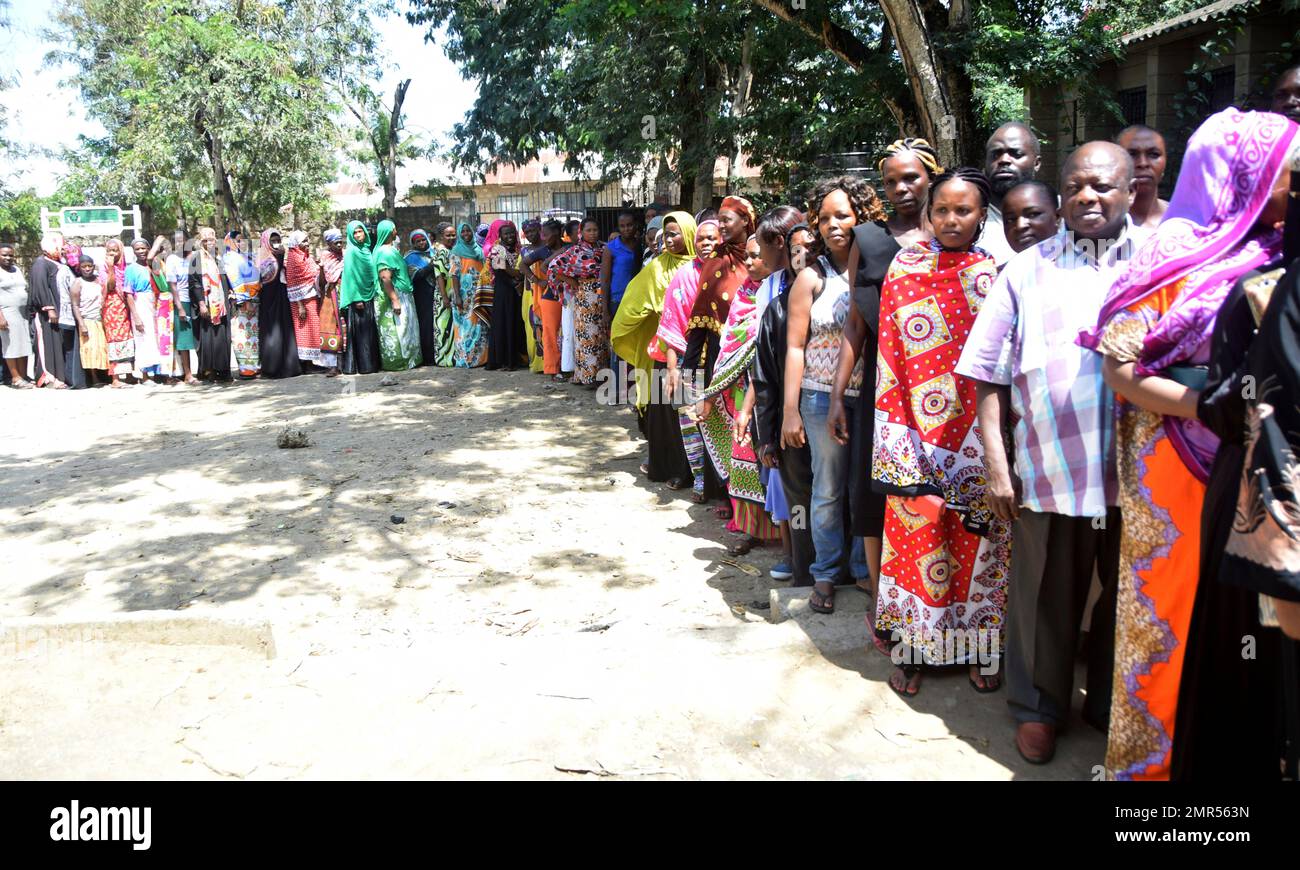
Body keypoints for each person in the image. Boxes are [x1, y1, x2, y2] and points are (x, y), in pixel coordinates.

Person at [1082, 108, 1299, 780]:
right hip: (1174, 463)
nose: (1294, 187)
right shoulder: (1171, 255)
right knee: (1169, 617)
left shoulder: (1285, 250)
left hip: (1256, 467)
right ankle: (1153, 770)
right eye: (1288, 173)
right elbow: (1119, 366)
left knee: (1253, 630)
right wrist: (1206, 407)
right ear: (1246, 177)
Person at [959, 142, 1140, 765]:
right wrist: (996, 464)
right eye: (1077, 186)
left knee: (1131, 600)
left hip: (1142, 478)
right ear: (1060, 194)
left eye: (1104, 186)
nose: (1090, 197)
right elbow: (986, 374)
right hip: (1050, 471)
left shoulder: (1162, 265)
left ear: (1131, 193)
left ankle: (1114, 705)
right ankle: (1038, 707)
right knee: (1043, 599)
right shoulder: (1026, 270)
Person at [872, 167, 1008, 698]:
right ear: (929, 212)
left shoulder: (993, 273)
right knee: (919, 538)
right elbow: (890, 356)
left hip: (980, 434)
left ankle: (980, 649)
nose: (952, 220)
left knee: (982, 546)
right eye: (942, 210)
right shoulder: (904, 268)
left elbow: (1002, 361)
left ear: (982, 215)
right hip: (913, 431)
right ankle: (913, 652)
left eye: (965, 210)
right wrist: (897, 441)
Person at [830, 138, 939, 629]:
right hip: (881, 384)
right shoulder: (868, 239)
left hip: (943, 386)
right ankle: (881, 596)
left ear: (930, 177)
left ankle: (937, 594)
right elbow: (854, 323)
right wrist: (837, 395)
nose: (901, 188)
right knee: (874, 489)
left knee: (938, 486)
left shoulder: (951, 231)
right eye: (892, 180)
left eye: (911, 177)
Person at [782, 179, 877, 615]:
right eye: (823, 218)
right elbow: (795, 347)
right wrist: (789, 411)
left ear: (861, 214)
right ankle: (825, 570)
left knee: (864, 488)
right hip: (821, 400)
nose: (833, 224)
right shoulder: (811, 278)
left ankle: (863, 567)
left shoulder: (877, 265)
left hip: (873, 397)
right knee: (828, 489)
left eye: (842, 214)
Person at [693, 232, 783, 554]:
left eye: (758, 256)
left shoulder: (783, 290)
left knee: (771, 457)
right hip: (741, 385)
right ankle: (752, 527)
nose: (752, 263)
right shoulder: (746, 292)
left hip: (771, 387)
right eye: (748, 256)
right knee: (743, 453)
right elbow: (732, 338)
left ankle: (783, 531)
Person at [612, 210, 698, 481]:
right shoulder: (656, 267)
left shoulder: (703, 265)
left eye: (675, 234)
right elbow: (633, 302)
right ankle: (669, 466)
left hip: (698, 346)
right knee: (664, 409)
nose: (670, 240)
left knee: (694, 411)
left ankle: (697, 472)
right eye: (667, 235)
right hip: (665, 347)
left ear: (689, 234)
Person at [750, 209, 812, 581]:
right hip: (778, 401)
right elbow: (764, 356)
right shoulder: (771, 292)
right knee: (787, 485)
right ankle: (794, 556)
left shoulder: (826, 282)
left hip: (819, 400)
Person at [657, 219, 722, 499]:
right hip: (688, 359)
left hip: (721, 360)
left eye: (711, 238)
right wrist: (672, 369)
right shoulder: (684, 275)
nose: (706, 244)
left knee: (721, 424)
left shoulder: (730, 273)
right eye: (701, 239)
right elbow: (671, 324)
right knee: (690, 425)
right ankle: (699, 481)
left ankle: (723, 488)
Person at [553, 218, 607, 385]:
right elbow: (554, 268)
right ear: (581, 232)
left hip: (603, 295)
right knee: (586, 337)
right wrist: (572, 282)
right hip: (585, 298)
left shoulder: (605, 249)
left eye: (595, 230)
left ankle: (602, 375)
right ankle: (587, 376)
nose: (592, 233)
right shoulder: (575, 251)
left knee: (601, 336)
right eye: (588, 230)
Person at [982, 122, 1042, 265]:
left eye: (1016, 154)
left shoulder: (1062, 214)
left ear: (1037, 163)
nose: (1003, 160)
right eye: (995, 155)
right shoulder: (968, 218)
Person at [372, 219, 421, 372]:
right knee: (398, 329)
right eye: (394, 228)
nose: (396, 231)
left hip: (402, 293)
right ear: (389, 231)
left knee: (406, 328)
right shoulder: (385, 252)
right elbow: (386, 277)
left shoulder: (388, 249)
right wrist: (395, 300)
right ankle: (400, 362)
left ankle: (410, 360)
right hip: (394, 295)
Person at [603, 209, 642, 398]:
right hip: (617, 301)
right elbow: (605, 279)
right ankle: (617, 389)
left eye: (630, 225)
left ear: (636, 225)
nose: (626, 229)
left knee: (636, 345)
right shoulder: (611, 248)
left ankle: (635, 386)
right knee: (618, 345)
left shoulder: (641, 245)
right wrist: (604, 309)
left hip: (638, 302)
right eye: (622, 226)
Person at [187, 228, 231, 382]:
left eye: (211, 239)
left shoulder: (218, 258)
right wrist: (201, 304)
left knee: (222, 337)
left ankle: (223, 370)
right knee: (209, 338)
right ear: (201, 241)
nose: (209, 242)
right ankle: (210, 370)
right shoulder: (196, 259)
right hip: (207, 304)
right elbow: (194, 283)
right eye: (205, 240)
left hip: (221, 304)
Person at [339, 220, 382, 375]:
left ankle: (371, 364)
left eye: (360, 231)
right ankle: (363, 366)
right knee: (361, 333)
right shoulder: (352, 252)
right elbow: (351, 277)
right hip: (358, 298)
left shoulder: (365, 249)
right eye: (355, 232)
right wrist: (357, 298)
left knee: (369, 332)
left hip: (368, 294)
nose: (358, 235)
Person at [485, 219, 525, 371]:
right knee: (505, 323)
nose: (510, 236)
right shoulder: (497, 249)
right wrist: (518, 279)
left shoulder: (517, 249)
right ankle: (504, 360)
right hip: (504, 290)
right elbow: (500, 270)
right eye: (506, 234)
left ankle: (515, 357)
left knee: (515, 323)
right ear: (500, 236)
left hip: (516, 290)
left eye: (511, 233)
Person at [28, 234, 67, 388]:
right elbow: (40, 287)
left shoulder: (56, 263)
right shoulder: (40, 263)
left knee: (57, 343)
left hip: (61, 312)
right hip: (46, 314)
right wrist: (49, 308)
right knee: (47, 343)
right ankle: (48, 376)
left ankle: (60, 375)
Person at [449, 222, 489, 368]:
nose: (466, 233)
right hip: (464, 294)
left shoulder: (478, 249)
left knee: (479, 325)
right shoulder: (456, 251)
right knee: (465, 327)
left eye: (468, 231)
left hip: (479, 292)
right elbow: (454, 274)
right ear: (460, 233)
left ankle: (479, 359)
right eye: (463, 231)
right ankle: (466, 359)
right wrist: (457, 296)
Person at [1116, 125, 1170, 230]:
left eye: (1154, 154)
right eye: (1132, 154)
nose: (1143, 163)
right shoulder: (1100, 225)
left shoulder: (1185, 220)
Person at [528, 220, 563, 376]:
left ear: (555, 234)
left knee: (568, 333)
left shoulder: (570, 247)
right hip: (550, 297)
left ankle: (568, 367)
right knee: (550, 333)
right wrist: (537, 281)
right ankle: (552, 368)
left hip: (570, 295)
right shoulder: (543, 251)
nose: (543, 237)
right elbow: (523, 265)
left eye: (546, 234)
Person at [223, 231, 261, 378]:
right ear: (229, 241)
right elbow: (236, 280)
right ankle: (246, 369)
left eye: (242, 240)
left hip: (254, 299)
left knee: (253, 335)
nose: (241, 243)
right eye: (238, 241)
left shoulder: (244, 256)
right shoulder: (230, 258)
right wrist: (246, 302)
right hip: (243, 303)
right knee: (243, 335)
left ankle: (254, 366)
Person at [284, 231, 321, 371]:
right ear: (296, 243)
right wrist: (300, 306)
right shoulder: (294, 259)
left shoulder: (305, 256)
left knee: (313, 329)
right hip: (301, 303)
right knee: (304, 331)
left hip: (311, 298)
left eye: (307, 240)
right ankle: (307, 364)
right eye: (304, 241)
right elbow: (292, 283)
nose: (307, 243)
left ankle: (312, 362)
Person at [405, 228, 441, 367]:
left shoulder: (434, 252)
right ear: (413, 243)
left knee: (438, 323)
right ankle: (428, 357)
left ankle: (440, 354)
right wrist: (430, 266)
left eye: (423, 240)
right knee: (426, 325)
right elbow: (415, 276)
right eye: (417, 241)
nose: (421, 243)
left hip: (437, 292)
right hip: (422, 295)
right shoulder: (410, 257)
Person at [144, 237, 177, 384]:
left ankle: (174, 372)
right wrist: (159, 241)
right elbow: (150, 257)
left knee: (173, 339)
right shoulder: (156, 262)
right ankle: (166, 374)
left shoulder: (168, 262)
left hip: (171, 300)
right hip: (164, 301)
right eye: (163, 248)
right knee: (165, 339)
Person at [166, 233, 198, 384]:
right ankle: (188, 374)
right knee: (184, 340)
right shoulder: (172, 259)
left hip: (197, 301)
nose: (180, 243)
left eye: (182, 240)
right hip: (183, 301)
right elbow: (173, 285)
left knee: (198, 337)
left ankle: (204, 369)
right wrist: (180, 308)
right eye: (176, 241)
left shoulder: (194, 257)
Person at [0, 242, 32, 387]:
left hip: (22, 313)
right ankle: (15, 378)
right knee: (11, 345)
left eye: (11, 255)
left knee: (23, 344)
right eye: (4, 255)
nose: (8, 258)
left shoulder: (16, 270)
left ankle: (23, 375)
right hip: (7, 313)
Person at [1000, 180, 1061, 255]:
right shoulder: (1005, 267)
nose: (1020, 226)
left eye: (1032, 214)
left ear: (1058, 217)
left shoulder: (1076, 263)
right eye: (1010, 220)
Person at [74, 255, 108, 385]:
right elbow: (75, 305)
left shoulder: (99, 280)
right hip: (87, 320)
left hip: (100, 319)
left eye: (89, 266)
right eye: (84, 266)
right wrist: (81, 324)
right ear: (79, 268)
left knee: (102, 348)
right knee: (90, 349)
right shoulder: (78, 283)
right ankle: (94, 378)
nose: (87, 269)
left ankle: (104, 377)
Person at [56, 242, 86, 389]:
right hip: (68, 315)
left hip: (79, 314)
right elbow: (64, 296)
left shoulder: (77, 270)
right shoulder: (64, 271)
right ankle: (74, 381)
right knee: (71, 350)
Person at [317, 228, 346, 377]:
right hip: (331, 294)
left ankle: (346, 364)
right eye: (336, 243)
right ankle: (332, 366)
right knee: (330, 327)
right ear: (328, 243)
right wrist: (322, 269)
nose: (340, 245)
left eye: (341, 242)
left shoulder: (346, 255)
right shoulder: (326, 257)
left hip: (346, 292)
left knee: (345, 327)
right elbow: (322, 282)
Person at [519, 218, 546, 373]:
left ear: (540, 230)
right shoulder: (524, 251)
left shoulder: (548, 247)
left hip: (546, 292)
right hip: (530, 294)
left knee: (547, 327)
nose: (530, 234)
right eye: (527, 232)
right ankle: (536, 363)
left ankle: (548, 362)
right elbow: (521, 270)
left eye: (533, 230)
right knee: (532, 327)